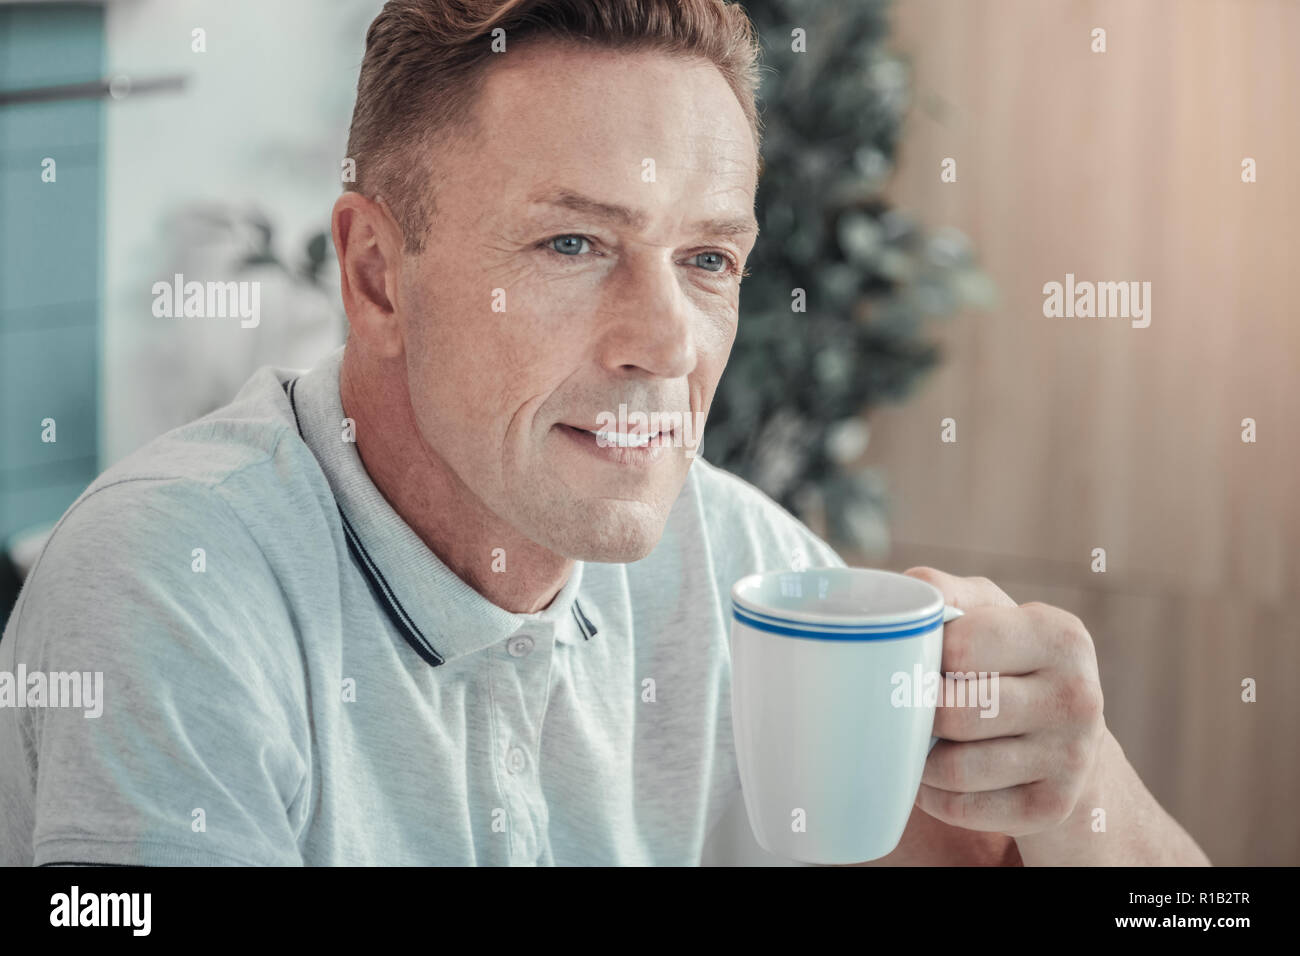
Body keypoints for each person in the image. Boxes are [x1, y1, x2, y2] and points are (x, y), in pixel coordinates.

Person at [0, 0, 1207, 866]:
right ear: (376, 276)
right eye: (573, 244)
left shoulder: (739, 562)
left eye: (706, 258)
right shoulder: (171, 583)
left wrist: (1076, 793)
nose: (669, 342)